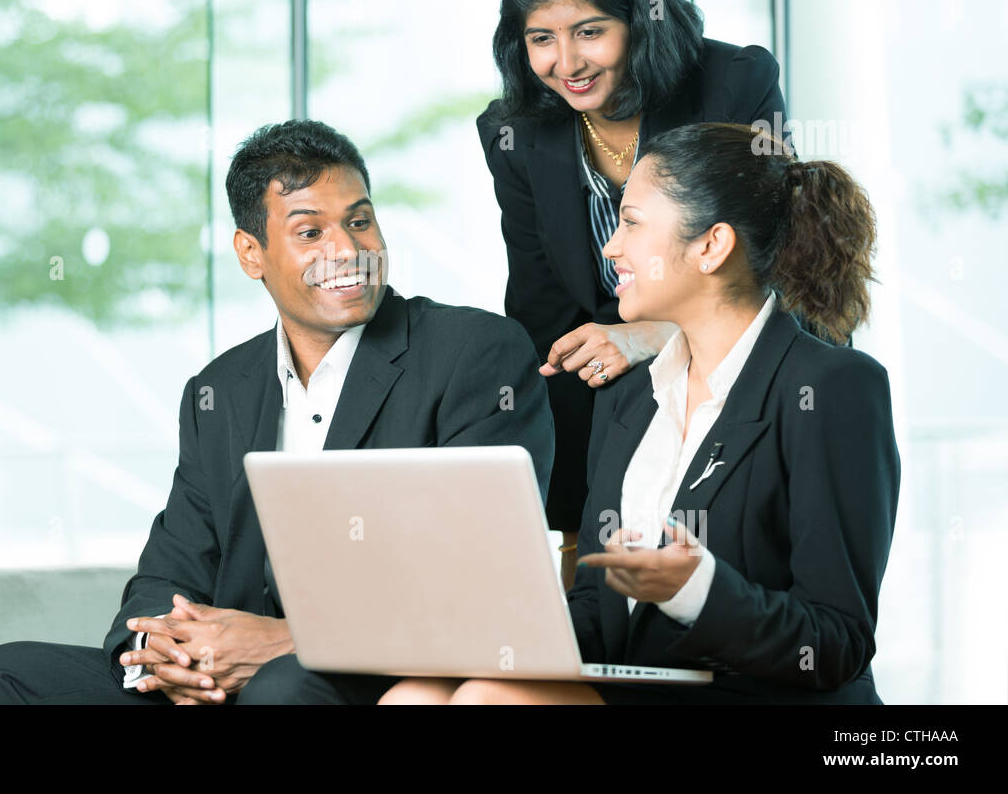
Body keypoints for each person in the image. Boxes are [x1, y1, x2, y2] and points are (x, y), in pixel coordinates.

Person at [0, 118, 555, 705]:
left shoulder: (473, 353)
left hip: (375, 679)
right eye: (310, 232)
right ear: (251, 253)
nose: (347, 249)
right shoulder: (219, 391)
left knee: (281, 685)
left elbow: (480, 579)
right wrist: (170, 656)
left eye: (360, 221)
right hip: (222, 683)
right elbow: (170, 569)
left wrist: (281, 644)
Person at [380, 122, 900, 704]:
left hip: (763, 695)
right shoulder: (630, 394)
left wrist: (699, 590)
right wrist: (496, 635)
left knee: (487, 699)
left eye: (631, 223)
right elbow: (598, 608)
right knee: (418, 693)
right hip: (644, 689)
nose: (610, 247)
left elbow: (836, 642)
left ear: (711, 246)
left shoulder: (832, 386)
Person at [479, 0, 806, 582]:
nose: (566, 62)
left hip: (732, 356)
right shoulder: (513, 133)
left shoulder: (734, 84)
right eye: (541, 39)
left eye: (589, 32)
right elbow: (540, 300)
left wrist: (653, 336)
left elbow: (779, 261)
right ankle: (580, 598)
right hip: (610, 375)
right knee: (546, 377)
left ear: (636, 20)